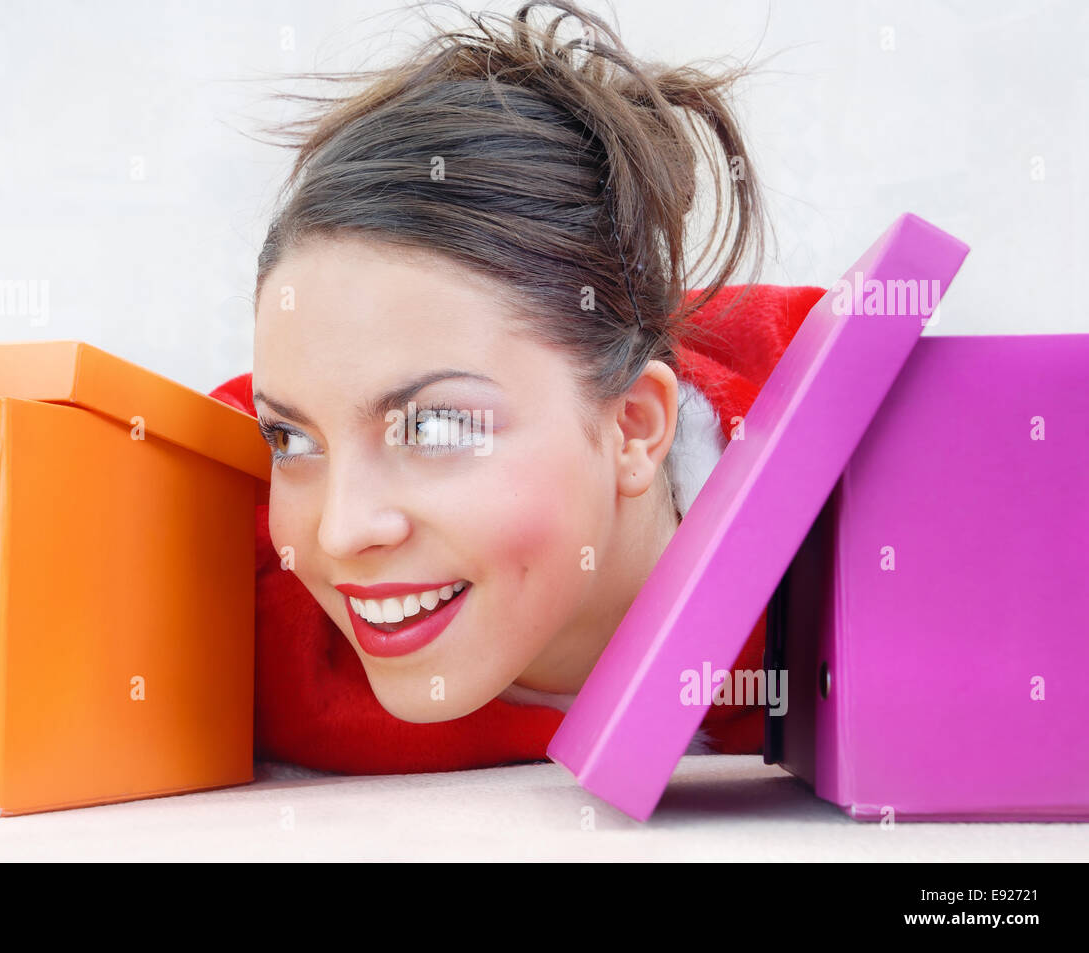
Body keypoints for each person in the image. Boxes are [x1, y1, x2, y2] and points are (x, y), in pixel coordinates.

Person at [211, 0, 824, 773]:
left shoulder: (871, 490)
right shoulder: (231, 592)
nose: (339, 532)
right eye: (291, 438)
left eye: (431, 428)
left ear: (635, 427)